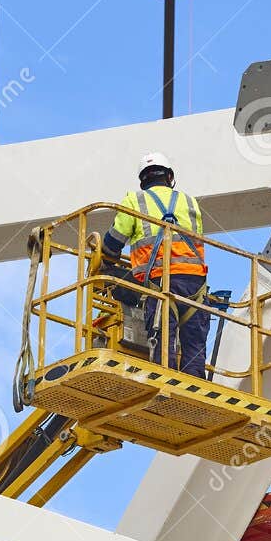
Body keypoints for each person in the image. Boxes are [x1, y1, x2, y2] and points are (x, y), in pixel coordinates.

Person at [101, 152, 210, 376]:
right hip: (195, 284)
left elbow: (114, 242)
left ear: (143, 181)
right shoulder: (190, 202)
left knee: (162, 338)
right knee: (194, 342)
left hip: (159, 282)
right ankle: (194, 384)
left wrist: (104, 259)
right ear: (170, 177)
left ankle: (165, 382)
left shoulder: (135, 200)